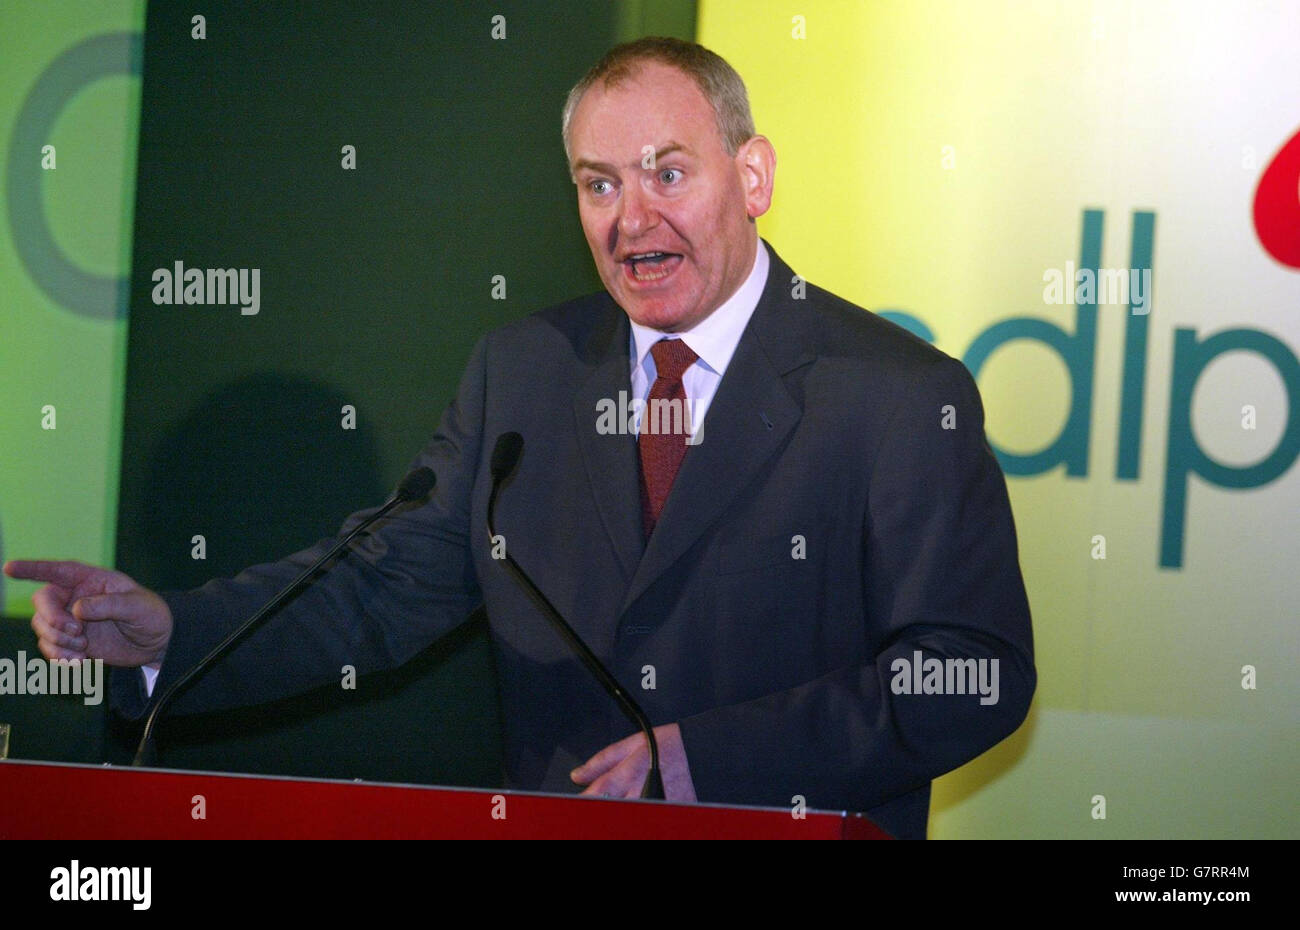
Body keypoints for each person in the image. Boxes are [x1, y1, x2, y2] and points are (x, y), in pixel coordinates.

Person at [4, 37, 1035, 839]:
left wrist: (703, 760)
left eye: (666, 174)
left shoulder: (895, 397)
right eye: (598, 184)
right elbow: (379, 584)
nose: (632, 220)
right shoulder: (527, 372)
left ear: (752, 176)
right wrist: (175, 634)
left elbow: (971, 670)